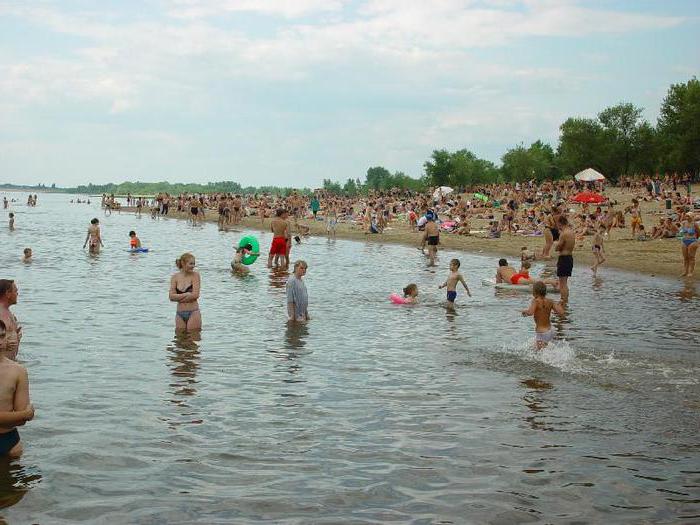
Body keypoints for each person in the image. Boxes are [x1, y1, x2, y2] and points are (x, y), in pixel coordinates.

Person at [0, 320, 34, 458]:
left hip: (10, 441)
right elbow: (24, 415)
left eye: (2, 336)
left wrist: (22, 416)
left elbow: (21, 421)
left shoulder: (18, 371)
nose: (0, 342)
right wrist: (25, 414)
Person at [521, 281, 565, 350]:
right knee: (545, 350)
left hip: (542, 333)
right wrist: (560, 305)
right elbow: (561, 312)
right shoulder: (551, 301)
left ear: (535, 292)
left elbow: (531, 312)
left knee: (539, 353)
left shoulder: (535, 301)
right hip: (551, 330)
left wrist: (524, 312)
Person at [169, 253, 201, 332]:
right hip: (179, 313)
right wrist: (186, 294)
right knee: (179, 340)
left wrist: (178, 298)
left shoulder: (195, 276)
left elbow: (195, 295)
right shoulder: (175, 277)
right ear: (183, 263)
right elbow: (171, 297)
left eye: (194, 264)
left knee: (192, 339)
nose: (193, 266)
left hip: (193, 312)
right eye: (190, 264)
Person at [555, 215, 575, 304]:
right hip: (570, 257)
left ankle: (563, 301)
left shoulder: (564, 234)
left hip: (564, 258)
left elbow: (559, 247)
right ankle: (565, 302)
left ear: (560, 223)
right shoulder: (571, 232)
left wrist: (556, 246)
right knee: (565, 283)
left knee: (562, 284)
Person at [0, 280, 21, 361]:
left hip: (9, 364)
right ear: (8, 293)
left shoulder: (9, 314)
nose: (17, 294)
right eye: (15, 291)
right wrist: (4, 344)